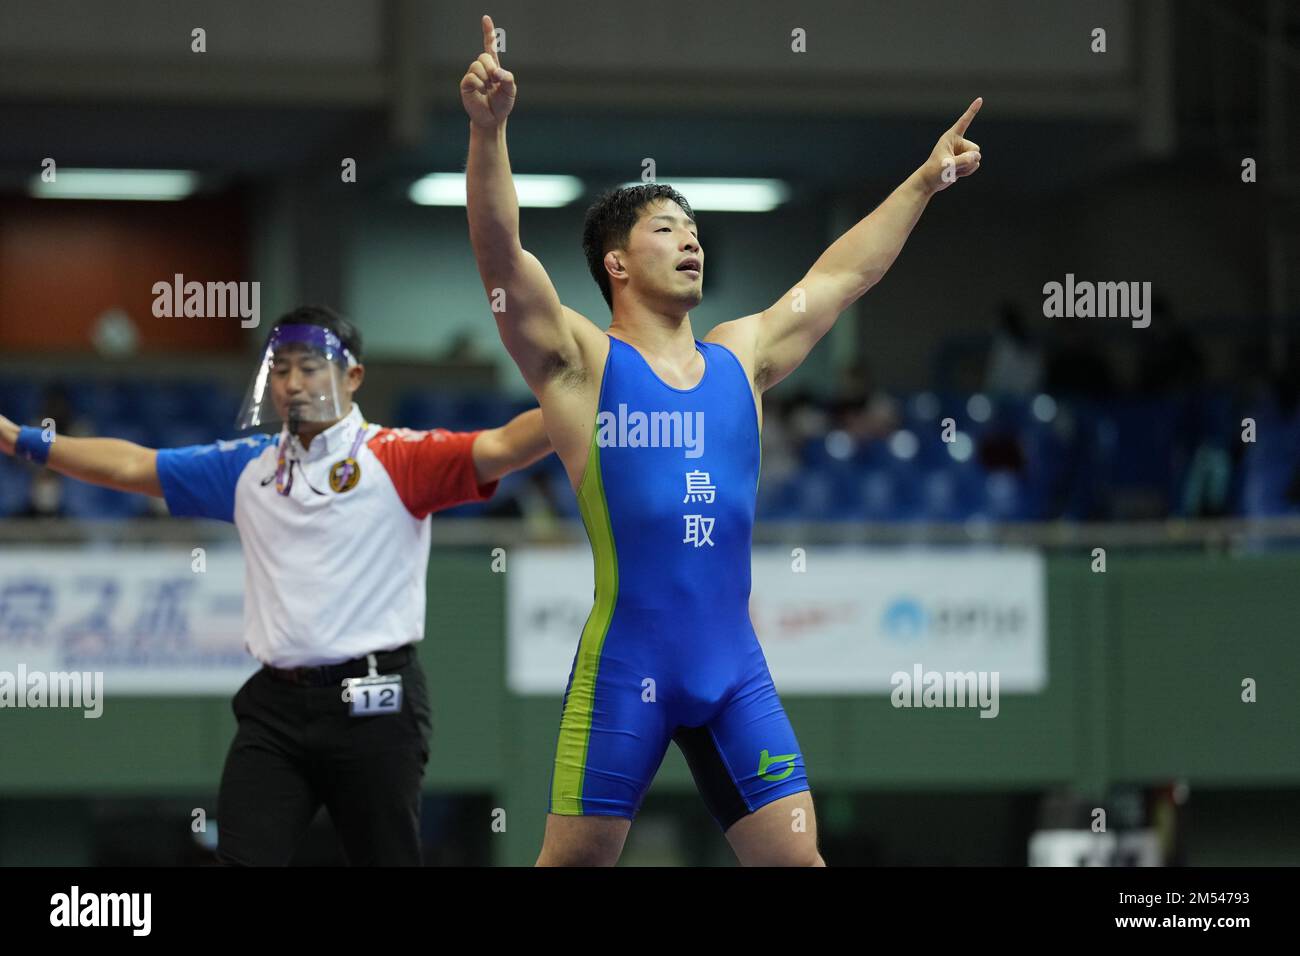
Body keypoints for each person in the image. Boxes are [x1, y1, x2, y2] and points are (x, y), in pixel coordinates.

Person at [459, 14, 982, 866]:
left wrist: (923, 182)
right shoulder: (581, 364)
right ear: (616, 266)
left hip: (734, 669)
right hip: (626, 666)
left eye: (693, 227)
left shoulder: (743, 354)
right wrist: (488, 133)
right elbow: (499, 256)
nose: (690, 237)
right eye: (665, 228)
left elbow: (845, 275)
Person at [0, 305, 554, 865]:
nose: (292, 383)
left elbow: (505, 446)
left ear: (353, 377)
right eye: (281, 369)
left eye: (310, 368)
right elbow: (131, 466)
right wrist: (23, 440)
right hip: (275, 711)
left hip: (375, 703)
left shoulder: (401, 458)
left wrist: (586, 398)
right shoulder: (248, 469)